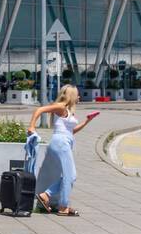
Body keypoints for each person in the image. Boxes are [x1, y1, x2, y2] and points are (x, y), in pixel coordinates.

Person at [30, 84, 96, 217]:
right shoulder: (61, 106)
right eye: (77, 94)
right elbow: (40, 110)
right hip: (61, 143)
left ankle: (46, 195)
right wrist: (32, 126)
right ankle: (62, 206)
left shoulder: (68, 110)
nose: (79, 96)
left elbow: (71, 131)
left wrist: (87, 121)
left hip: (64, 141)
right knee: (70, 176)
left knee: (68, 175)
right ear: (71, 95)